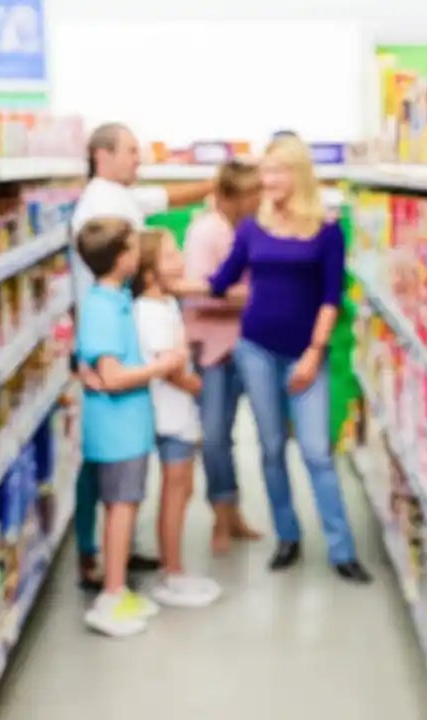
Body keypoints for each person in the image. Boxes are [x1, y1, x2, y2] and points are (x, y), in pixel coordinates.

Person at [179, 135, 371, 584]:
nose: (268, 181)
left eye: (277, 171)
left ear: (299, 174)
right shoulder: (251, 229)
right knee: (268, 449)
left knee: (316, 452)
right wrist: (166, 283)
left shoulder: (326, 229)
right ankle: (287, 536)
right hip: (255, 350)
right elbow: (221, 281)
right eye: (265, 172)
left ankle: (342, 549)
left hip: (306, 353)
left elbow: (330, 298)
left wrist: (313, 355)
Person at [72, 122, 214, 590]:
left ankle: (115, 556)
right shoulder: (99, 209)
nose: (139, 158)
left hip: (119, 368)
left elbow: (167, 198)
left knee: (120, 485)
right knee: (109, 480)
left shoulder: (122, 198)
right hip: (108, 364)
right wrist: (167, 367)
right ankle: (98, 561)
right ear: (102, 155)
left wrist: (217, 182)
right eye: (131, 151)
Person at [74, 218, 185, 637]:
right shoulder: (103, 307)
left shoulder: (114, 298)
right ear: (122, 258)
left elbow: (97, 366)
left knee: (128, 504)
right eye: (134, 248)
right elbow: (115, 376)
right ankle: (113, 592)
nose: (140, 254)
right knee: (120, 508)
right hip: (117, 430)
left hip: (128, 427)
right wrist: (165, 365)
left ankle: (117, 588)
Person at [132, 229, 223, 607]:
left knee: (181, 490)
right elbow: (166, 367)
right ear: (149, 272)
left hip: (175, 412)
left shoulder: (164, 302)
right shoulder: (149, 311)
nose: (179, 261)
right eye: (169, 257)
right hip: (169, 413)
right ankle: (172, 571)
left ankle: (173, 566)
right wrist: (194, 385)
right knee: (176, 488)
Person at [182, 162, 264, 554]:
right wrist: (253, 298)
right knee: (214, 436)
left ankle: (234, 514)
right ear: (230, 196)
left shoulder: (252, 226)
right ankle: (221, 515)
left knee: (247, 435)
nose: (258, 200)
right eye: (250, 194)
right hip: (213, 348)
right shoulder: (206, 231)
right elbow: (197, 293)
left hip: (249, 344)